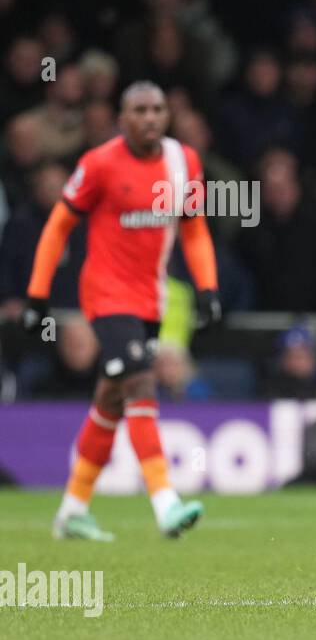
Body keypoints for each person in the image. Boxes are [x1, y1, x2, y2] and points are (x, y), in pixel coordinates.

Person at [21, 81, 218, 541]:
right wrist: (37, 294)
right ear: (122, 118)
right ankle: (166, 502)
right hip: (107, 297)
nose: (150, 117)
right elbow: (58, 226)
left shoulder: (181, 161)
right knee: (139, 380)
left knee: (110, 398)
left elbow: (193, 230)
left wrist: (207, 286)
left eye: (157, 108)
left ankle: (72, 509)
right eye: (139, 110)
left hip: (151, 298)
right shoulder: (100, 164)